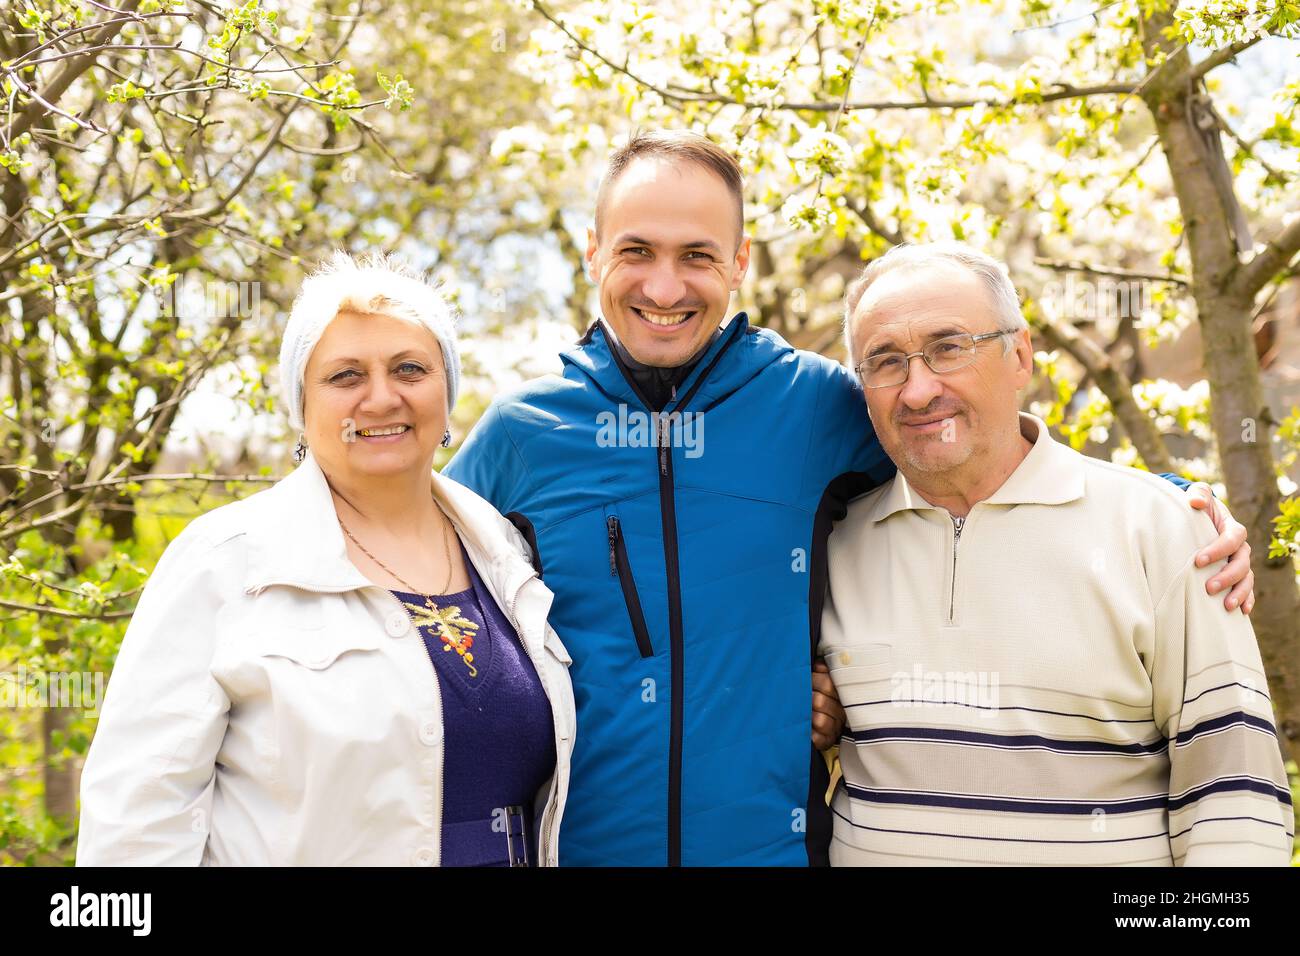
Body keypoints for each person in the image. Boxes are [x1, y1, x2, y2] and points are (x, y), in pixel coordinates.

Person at [444, 130, 1255, 866]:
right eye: (636, 250)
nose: (665, 284)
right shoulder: (526, 432)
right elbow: (409, 556)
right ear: (592, 254)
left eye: (697, 253)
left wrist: (1178, 502)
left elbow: (975, 450)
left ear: (740, 261)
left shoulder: (822, 405)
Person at [77, 252, 576, 866]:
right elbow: (135, 830)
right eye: (345, 376)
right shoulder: (224, 565)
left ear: (446, 393)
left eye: (410, 369)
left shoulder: (504, 554)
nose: (381, 397)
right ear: (302, 407)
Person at [824, 241, 1292, 865]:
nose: (917, 390)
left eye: (948, 347)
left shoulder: (1162, 530)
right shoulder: (833, 542)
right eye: (884, 362)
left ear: (1020, 355)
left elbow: (1236, 796)